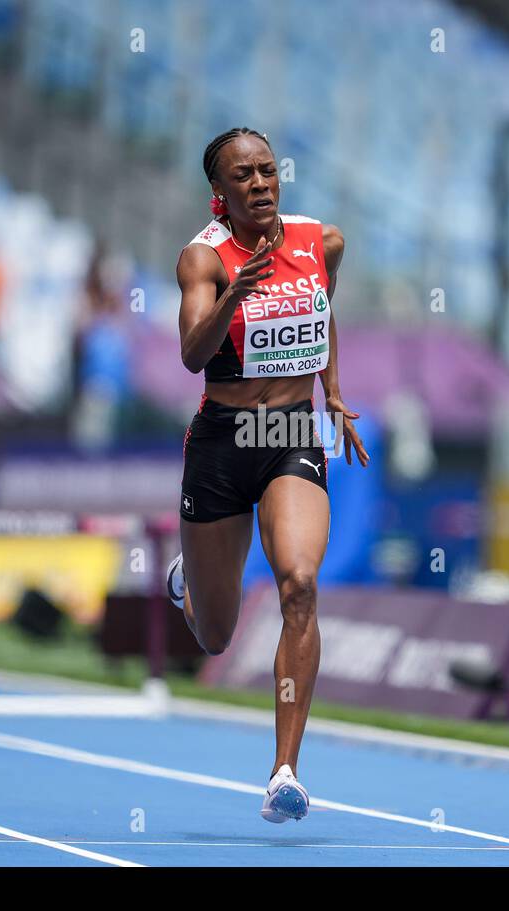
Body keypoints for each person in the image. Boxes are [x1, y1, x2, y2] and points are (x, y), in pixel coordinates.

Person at [167, 127, 369, 823]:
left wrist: (333, 391)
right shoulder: (204, 257)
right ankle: (189, 586)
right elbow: (193, 354)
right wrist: (235, 293)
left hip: (289, 434)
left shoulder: (322, 241)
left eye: (266, 170)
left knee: (300, 586)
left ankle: (285, 770)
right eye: (242, 176)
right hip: (223, 439)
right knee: (216, 635)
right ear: (218, 194)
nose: (258, 183)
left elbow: (323, 308)